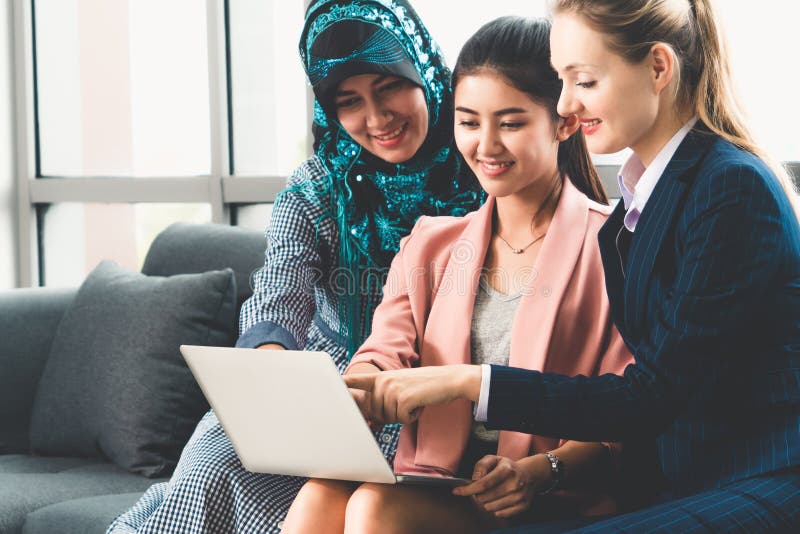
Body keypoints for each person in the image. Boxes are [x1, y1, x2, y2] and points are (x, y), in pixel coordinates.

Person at [345, 0, 800, 531]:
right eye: (561, 80)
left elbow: (650, 395)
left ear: (658, 67)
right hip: (685, 480)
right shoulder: (647, 201)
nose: (566, 103)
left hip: (755, 475)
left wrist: (474, 386)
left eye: (583, 81)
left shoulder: (727, 187)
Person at [106, 1, 482, 532]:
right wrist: (271, 366)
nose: (376, 119)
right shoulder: (318, 188)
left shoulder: (484, 162)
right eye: (349, 101)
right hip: (321, 395)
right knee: (214, 464)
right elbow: (278, 293)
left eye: (387, 86)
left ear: (418, 64)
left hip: (429, 399)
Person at [282, 16, 634, 534]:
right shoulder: (431, 242)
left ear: (563, 121)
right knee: (321, 494)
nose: (486, 146)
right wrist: (360, 390)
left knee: (374, 509)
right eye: (468, 122)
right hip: (439, 481)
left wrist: (538, 472)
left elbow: (626, 409)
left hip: (548, 493)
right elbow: (384, 352)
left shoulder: (618, 248)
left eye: (510, 124)